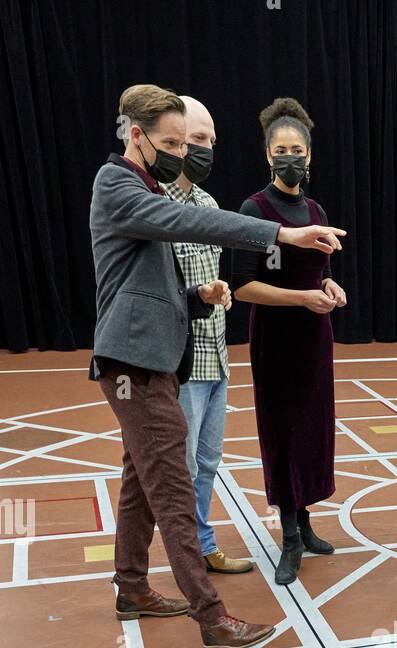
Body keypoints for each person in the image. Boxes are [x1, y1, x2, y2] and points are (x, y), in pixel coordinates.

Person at [89, 84, 345, 648]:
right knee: (175, 489)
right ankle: (213, 618)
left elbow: (141, 290)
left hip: (154, 355)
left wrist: (198, 295)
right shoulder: (119, 184)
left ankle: (131, 587)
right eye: (172, 142)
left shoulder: (143, 188)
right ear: (137, 135)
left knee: (140, 481)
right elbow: (199, 227)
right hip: (133, 362)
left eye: (191, 141)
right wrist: (281, 232)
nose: (183, 153)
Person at [232, 97, 345, 587]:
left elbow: (320, 274)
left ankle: (306, 522)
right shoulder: (253, 211)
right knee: (282, 430)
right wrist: (302, 298)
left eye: (297, 149)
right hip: (275, 340)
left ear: (310, 156)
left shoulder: (316, 209)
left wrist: (329, 288)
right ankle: (289, 536)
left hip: (314, 339)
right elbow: (243, 287)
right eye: (281, 149)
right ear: (267, 155)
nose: (290, 157)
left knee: (313, 429)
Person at [161, 95, 252, 576]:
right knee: (181, 467)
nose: (206, 150)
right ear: (171, 139)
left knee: (209, 461)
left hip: (216, 357)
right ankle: (188, 555)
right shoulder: (152, 204)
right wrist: (199, 292)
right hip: (180, 362)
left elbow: (210, 277)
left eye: (211, 142)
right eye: (197, 139)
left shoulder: (207, 203)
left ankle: (200, 545)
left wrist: (218, 293)